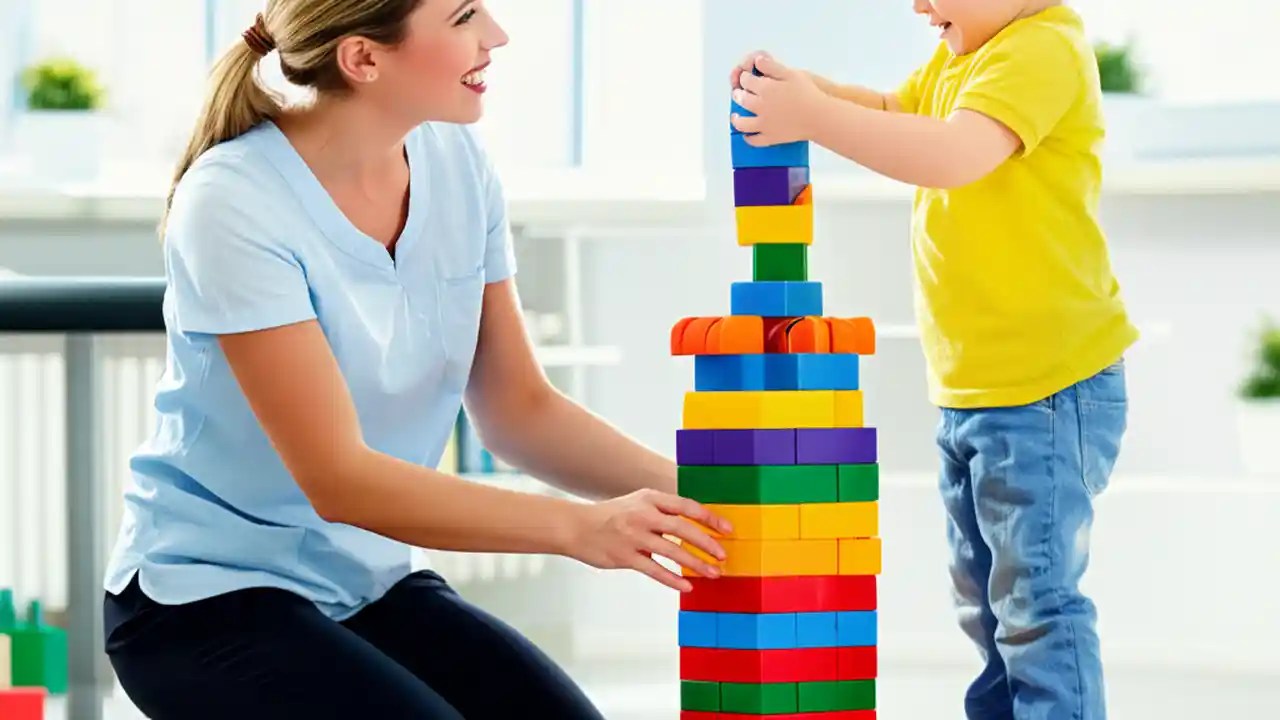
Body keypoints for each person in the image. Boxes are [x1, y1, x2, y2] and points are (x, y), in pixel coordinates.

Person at [101, 1, 731, 718]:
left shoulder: (458, 164)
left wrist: (712, 495)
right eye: (463, 17)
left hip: (364, 585)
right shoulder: (233, 202)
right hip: (203, 601)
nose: (496, 36)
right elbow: (341, 482)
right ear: (364, 59)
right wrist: (581, 527)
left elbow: (520, 413)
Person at [728, 1, 1137, 718]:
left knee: (1035, 602)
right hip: (977, 392)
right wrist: (806, 93)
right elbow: (894, 111)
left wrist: (813, 118)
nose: (918, 3)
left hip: (1045, 387)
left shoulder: (1042, 48)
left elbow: (950, 156)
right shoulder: (964, 61)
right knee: (987, 605)